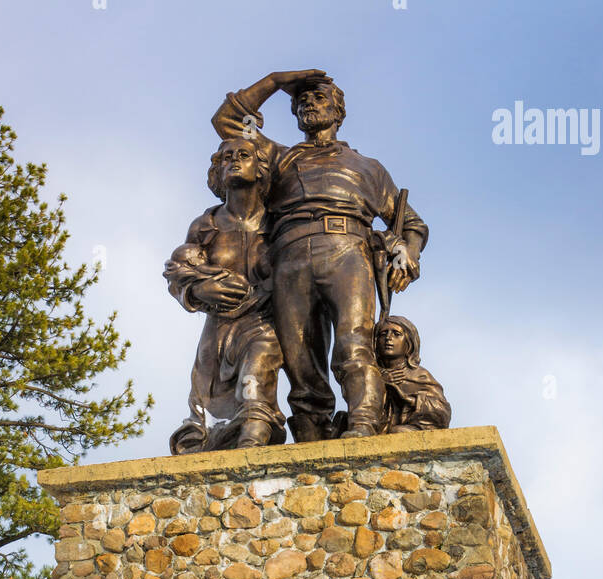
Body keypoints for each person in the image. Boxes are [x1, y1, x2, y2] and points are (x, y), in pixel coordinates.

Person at [212, 70, 428, 441]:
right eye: (301, 101)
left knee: (354, 341)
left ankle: (362, 422)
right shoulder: (278, 157)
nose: (308, 104)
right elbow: (228, 120)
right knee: (298, 357)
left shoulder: (368, 168)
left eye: (319, 99)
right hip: (289, 254)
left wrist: (406, 251)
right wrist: (276, 81)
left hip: (348, 251)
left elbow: (410, 223)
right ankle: (313, 436)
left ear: (338, 110)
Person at [164, 136, 285, 453]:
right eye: (226, 156)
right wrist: (199, 288)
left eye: (243, 155)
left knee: (257, 369)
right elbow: (178, 273)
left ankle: (253, 437)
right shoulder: (206, 225)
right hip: (217, 328)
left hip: (263, 319)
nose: (233, 160)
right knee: (209, 400)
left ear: (260, 169)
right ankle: (222, 439)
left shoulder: (279, 222)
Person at [374, 316, 451, 432]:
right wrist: (378, 381)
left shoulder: (418, 374)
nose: (388, 338)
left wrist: (407, 399)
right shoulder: (371, 373)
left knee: (398, 432)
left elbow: (442, 412)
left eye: (396, 334)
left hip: (410, 429)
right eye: (383, 333)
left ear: (408, 342)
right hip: (377, 427)